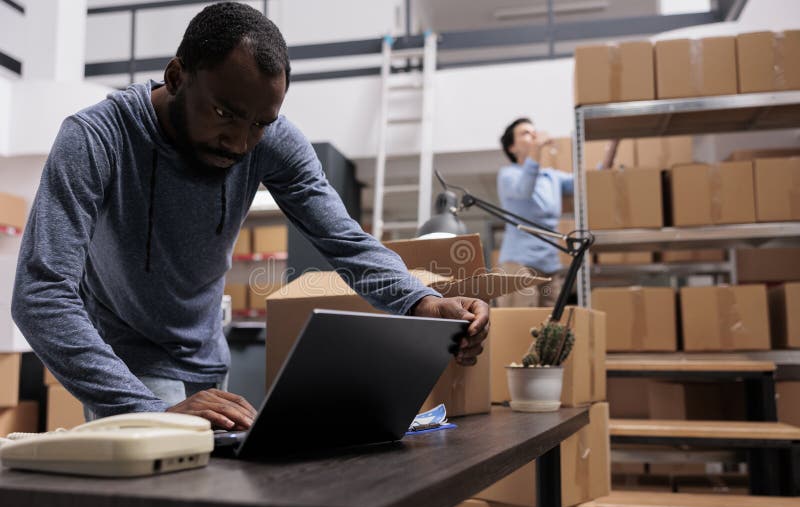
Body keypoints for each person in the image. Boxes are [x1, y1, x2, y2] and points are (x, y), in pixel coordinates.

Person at [11, 2, 488, 431]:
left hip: (207, 360)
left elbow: (343, 238)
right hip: (129, 361)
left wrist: (421, 303)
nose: (240, 143)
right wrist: (148, 409)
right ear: (177, 76)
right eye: (223, 113)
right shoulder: (96, 138)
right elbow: (41, 294)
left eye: (259, 124)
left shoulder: (273, 138)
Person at [496, 117, 617, 307]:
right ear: (512, 148)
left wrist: (612, 147)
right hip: (519, 263)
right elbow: (525, 190)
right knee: (519, 325)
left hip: (549, 263)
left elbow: (588, 183)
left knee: (550, 327)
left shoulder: (551, 177)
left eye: (534, 131)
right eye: (525, 133)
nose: (534, 135)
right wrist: (536, 151)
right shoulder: (508, 175)